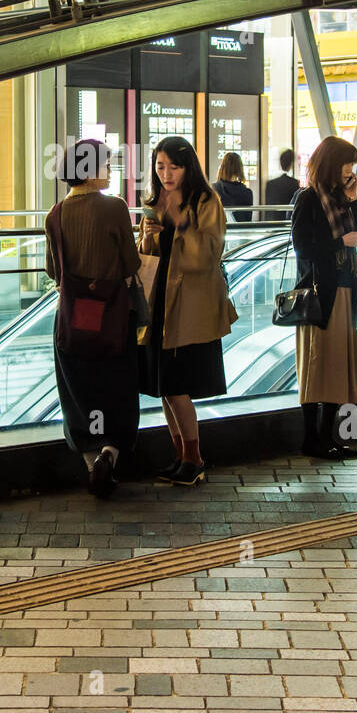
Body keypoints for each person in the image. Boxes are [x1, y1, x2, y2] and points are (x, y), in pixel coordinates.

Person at [138, 136, 237, 487]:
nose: (166, 173)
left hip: (189, 304)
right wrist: (148, 235)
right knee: (164, 384)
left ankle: (194, 458)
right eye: (160, 166)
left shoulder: (206, 200)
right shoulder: (155, 201)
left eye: (174, 167)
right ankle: (179, 454)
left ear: (188, 167)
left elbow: (208, 254)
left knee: (177, 383)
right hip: (160, 300)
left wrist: (179, 223)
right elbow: (147, 256)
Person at [45, 139, 140, 497]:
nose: (111, 171)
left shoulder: (54, 215)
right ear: (89, 169)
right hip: (113, 317)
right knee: (116, 388)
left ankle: (91, 463)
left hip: (72, 320)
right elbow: (130, 263)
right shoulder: (115, 208)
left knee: (79, 393)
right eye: (107, 165)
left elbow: (54, 271)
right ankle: (110, 453)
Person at [291, 137, 357, 460]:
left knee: (338, 365)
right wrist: (340, 241)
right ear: (332, 164)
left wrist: (353, 200)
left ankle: (329, 436)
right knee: (317, 366)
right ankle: (312, 439)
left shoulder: (343, 200)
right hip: (319, 295)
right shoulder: (309, 198)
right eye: (346, 166)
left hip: (345, 291)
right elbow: (303, 246)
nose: (350, 172)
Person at [212, 151, 254, 223]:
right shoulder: (247, 193)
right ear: (240, 169)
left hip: (219, 231)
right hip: (239, 232)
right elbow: (247, 221)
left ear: (222, 167)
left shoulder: (213, 189)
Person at [263, 148, 301, 222]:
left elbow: (268, 207)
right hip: (287, 222)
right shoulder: (294, 183)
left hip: (272, 222)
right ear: (291, 163)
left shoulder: (270, 183)